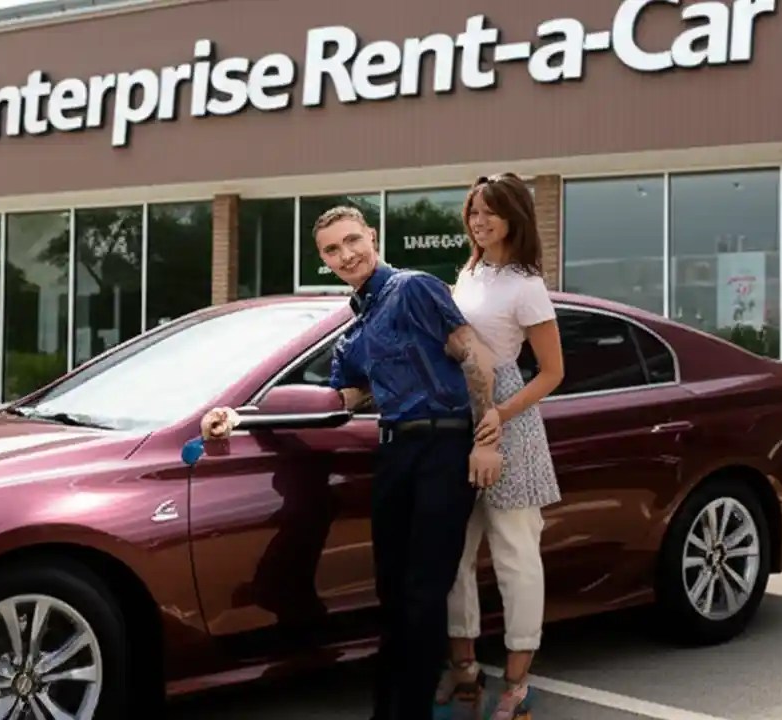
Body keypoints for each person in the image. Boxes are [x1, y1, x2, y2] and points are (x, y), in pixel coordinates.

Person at [200, 205, 504, 720]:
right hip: (395, 452)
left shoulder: (414, 288)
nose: (346, 255)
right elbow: (338, 400)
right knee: (390, 592)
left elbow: (474, 354)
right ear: (324, 260)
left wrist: (486, 437)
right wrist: (239, 415)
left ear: (373, 237)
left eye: (351, 241)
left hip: (444, 447)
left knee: (423, 591)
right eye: (332, 250)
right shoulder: (355, 329)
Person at [433, 174, 564, 720]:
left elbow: (553, 372)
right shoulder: (468, 272)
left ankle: (516, 682)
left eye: (490, 212)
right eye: (473, 212)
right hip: (458, 415)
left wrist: (499, 416)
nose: (479, 221)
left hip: (509, 419)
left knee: (515, 557)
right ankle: (464, 670)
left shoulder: (526, 284)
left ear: (515, 218)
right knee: (456, 555)